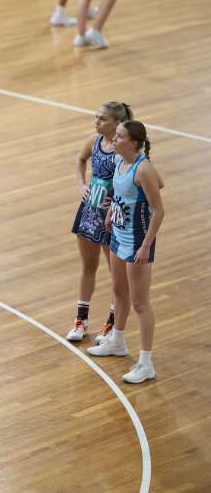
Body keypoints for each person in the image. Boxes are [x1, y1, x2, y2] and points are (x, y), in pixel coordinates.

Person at [87, 121, 164, 384]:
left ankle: (146, 363)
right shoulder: (121, 163)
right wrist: (111, 212)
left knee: (140, 303)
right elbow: (124, 193)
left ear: (132, 143)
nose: (114, 140)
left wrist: (145, 246)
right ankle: (117, 342)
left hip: (137, 242)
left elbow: (158, 210)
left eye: (119, 137)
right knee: (119, 291)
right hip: (118, 235)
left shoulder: (142, 169)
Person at [67, 102, 133, 342]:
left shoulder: (122, 150)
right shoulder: (94, 141)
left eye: (102, 119)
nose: (97, 122)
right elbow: (80, 160)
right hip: (89, 211)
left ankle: (111, 326)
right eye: (96, 117)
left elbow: (130, 181)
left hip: (110, 218)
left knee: (116, 276)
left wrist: (115, 202)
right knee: (88, 266)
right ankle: (81, 320)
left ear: (117, 123)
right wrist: (82, 185)